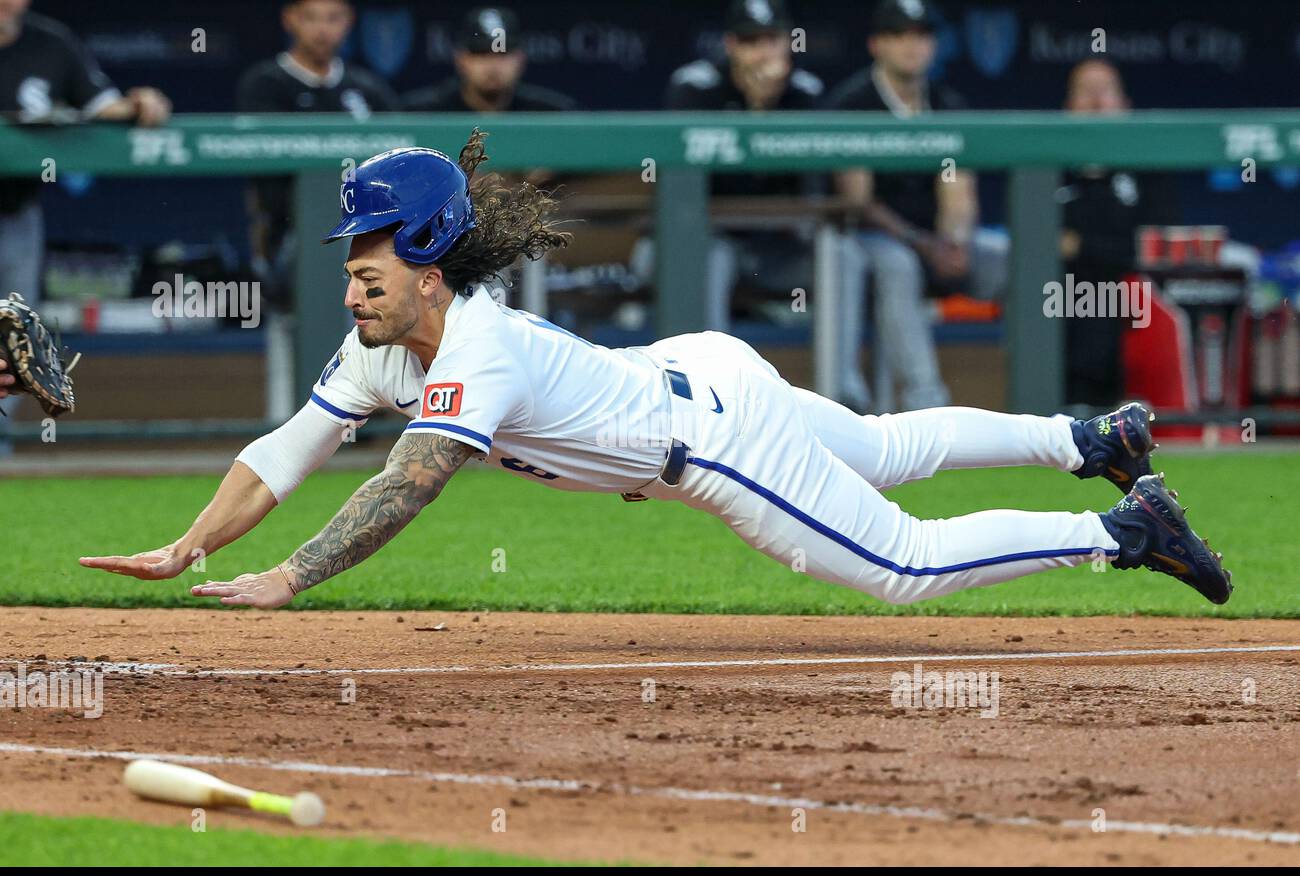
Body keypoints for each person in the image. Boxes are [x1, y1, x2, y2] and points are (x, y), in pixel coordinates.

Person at [79, 131, 1233, 610]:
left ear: (427, 258)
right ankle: (1083, 439)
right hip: (692, 365)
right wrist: (193, 542)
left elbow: (406, 485)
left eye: (367, 259)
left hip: (712, 440)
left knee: (904, 564)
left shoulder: (470, 345)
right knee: (884, 445)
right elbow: (288, 451)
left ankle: (1124, 525)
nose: (349, 281)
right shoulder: (383, 345)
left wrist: (284, 578)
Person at [0, 0, 170, 432]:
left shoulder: (50, 42)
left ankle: (0, 446)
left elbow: (101, 105)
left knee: (15, 338)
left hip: (15, 213)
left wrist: (139, 102)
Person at [828, 0, 1003, 412]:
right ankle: (929, 406)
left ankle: (1047, 399)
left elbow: (958, 188)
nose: (912, 45)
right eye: (899, 35)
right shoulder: (853, 103)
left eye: (921, 35)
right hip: (874, 240)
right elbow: (858, 199)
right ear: (876, 44)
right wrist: (923, 243)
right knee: (898, 264)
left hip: (936, 240)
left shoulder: (946, 102)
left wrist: (955, 239)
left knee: (1011, 258)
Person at [640, 0, 825, 332]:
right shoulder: (695, 87)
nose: (763, 53)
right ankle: (708, 377)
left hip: (773, 248)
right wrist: (755, 110)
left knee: (842, 257)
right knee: (709, 258)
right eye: (750, 42)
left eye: (772, 40)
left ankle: (839, 381)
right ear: (730, 45)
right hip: (698, 239)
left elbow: (811, 188)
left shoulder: (804, 92)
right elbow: (688, 192)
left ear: (788, 42)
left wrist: (766, 107)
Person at [236, 0, 399, 303]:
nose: (322, 30)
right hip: (291, 232)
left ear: (348, 21)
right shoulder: (265, 85)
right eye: (311, 18)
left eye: (333, 18)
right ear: (290, 19)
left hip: (367, 235)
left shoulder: (367, 89)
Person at [1059, 58, 1179, 406]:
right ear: (1068, 109)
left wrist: (1082, 245)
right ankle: (1071, 414)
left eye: (1106, 91)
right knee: (1074, 295)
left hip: (1138, 292)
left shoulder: (1149, 167)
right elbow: (1041, 248)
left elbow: (1156, 247)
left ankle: (1154, 414)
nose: (1097, 101)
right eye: (1085, 92)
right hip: (1068, 295)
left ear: (1126, 106)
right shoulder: (1050, 168)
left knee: (1120, 293)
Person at [404, 8, 574, 113]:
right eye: (482, 54)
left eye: (502, 54)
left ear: (520, 59)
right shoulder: (421, 113)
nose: (493, 66)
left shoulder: (551, 114)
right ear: (461, 59)